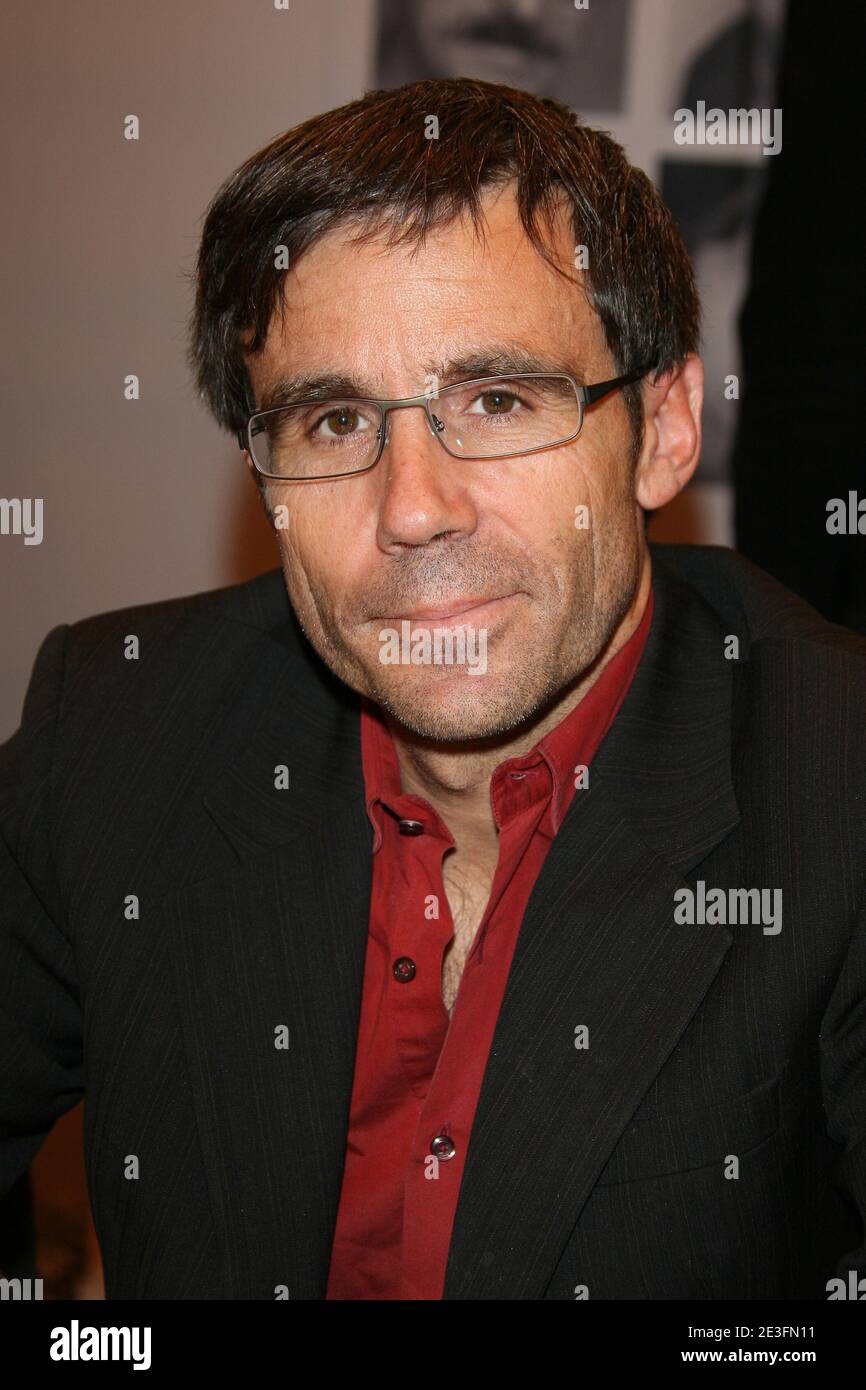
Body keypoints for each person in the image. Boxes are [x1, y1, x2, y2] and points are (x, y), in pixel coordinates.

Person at [1, 78, 863, 1301]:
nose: (411, 507)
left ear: (663, 427)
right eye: (335, 421)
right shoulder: (117, 726)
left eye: (497, 400)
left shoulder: (836, 780)